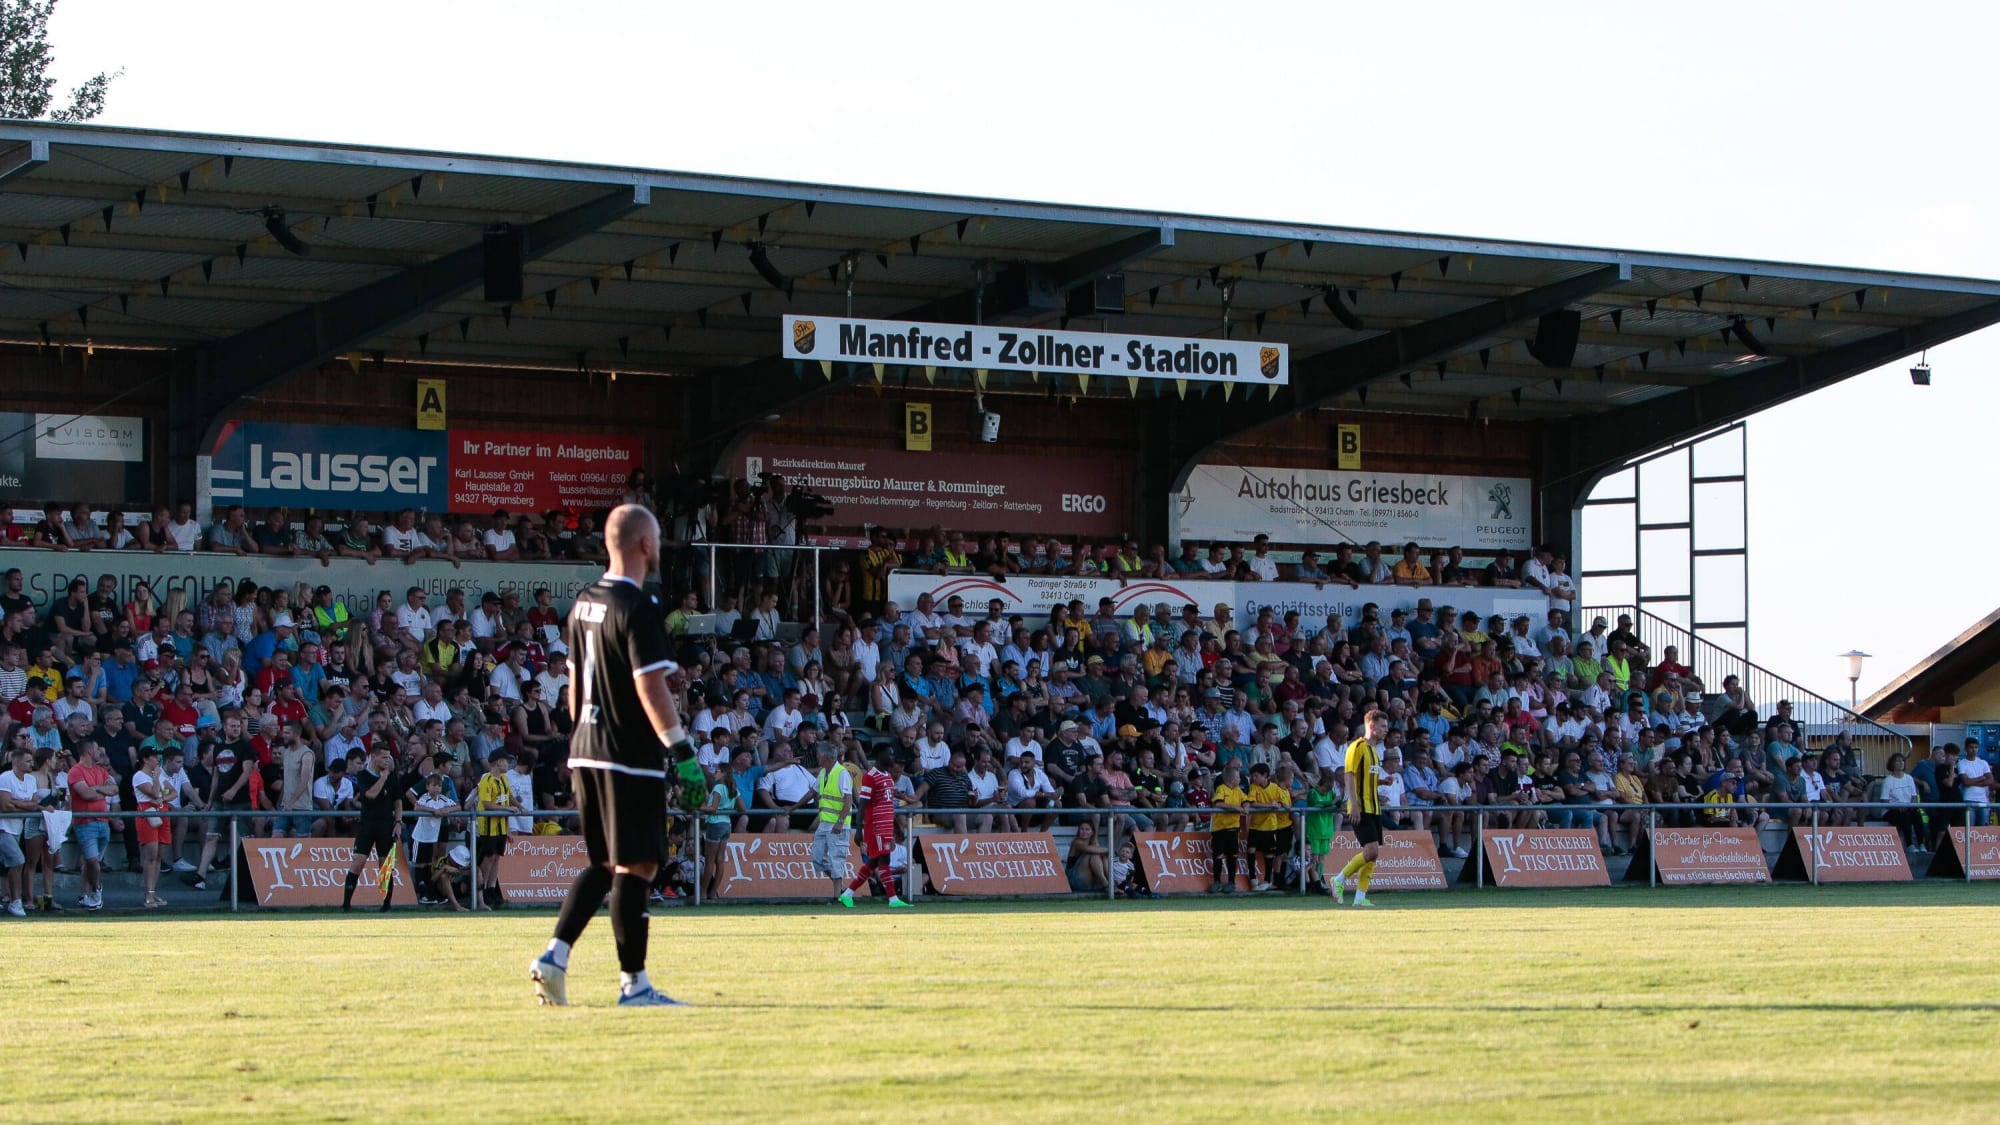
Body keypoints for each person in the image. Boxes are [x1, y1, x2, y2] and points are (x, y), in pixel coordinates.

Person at [532, 504, 691, 1009]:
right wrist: (680, 749)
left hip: (587, 747)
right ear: (645, 544)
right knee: (637, 866)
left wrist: (584, 737)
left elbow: (576, 685)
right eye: (659, 538)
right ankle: (634, 986)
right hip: (628, 753)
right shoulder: (639, 607)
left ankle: (554, 957)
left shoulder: (584, 603)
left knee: (604, 862)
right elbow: (651, 686)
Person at [840, 748, 913, 908]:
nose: (893, 757)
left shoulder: (887, 776)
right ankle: (893, 899)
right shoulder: (870, 776)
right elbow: (863, 805)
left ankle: (848, 893)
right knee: (884, 860)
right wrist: (860, 830)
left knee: (874, 862)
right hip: (876, 826)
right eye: (890, 754)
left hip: (886, 826)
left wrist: (894, 825)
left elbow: (887, 802)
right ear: (881, 756)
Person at [1332, 709, 1387, 907]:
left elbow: (1368, 778)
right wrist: (1353, 804)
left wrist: (1382, 782)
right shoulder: (1357, 747)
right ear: (1371, 726)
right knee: (1371, 851)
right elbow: (1350, 775)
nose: (1385, 730)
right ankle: (1339, 879)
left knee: (1373, 853)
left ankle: (1360, 898)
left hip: (1374, 807)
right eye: (1382, 726)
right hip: (1361, 807)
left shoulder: (1375, 751)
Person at [343, 745, 404, 912]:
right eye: (384, 757)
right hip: (367, 824)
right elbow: (370, 795)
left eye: (389, 757)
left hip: (386, 825)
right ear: (374, 757)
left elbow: (398, 801)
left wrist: (398, 822)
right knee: (358, 861)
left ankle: (386, 905)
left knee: (385, 865)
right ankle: (346, 905)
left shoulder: (392, 778)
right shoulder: (363, 776)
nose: (387, 761)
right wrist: (382, 778)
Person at [809, 743, 854, 896]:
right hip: (824, 823)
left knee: (837, 859)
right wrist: (793, 807)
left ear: (825, 757)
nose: (816, 757)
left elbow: (849, 800)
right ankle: (841, 887)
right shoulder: (823, 773)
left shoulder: (842, 773)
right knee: (817, 858)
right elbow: (812, 792)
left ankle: (836, 896)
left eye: (818, 755)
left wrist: (840, 822)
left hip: (837, 824)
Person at [1208, 763, 1247, 894]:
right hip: (1220, 829)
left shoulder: (1238, 791)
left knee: (1232, 856)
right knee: (1218, 856)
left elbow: (1246, 801)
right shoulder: (1221, 789)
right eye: (1238, 778)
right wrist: (1235, 807)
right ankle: (1217, 882)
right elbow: (1218, 803)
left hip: (1233, 829)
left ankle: (1231, 882)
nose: (1240, 780)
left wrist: (1245, 806)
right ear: (1232, 780)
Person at [1303, 767, 1339, 897]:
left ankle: (1319, 882)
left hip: (1326, 830)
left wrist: (1341, 802)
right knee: (1314, 858)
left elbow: (1337, 803)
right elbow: (1316, 804)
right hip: (1315, 830)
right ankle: (1312, 883)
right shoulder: (1312, 793)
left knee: (1322, 858)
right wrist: (1331, 803)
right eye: (1324, 789)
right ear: (1320, 785)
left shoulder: (1330, 794)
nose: (1326, 792)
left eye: (1328, 790)